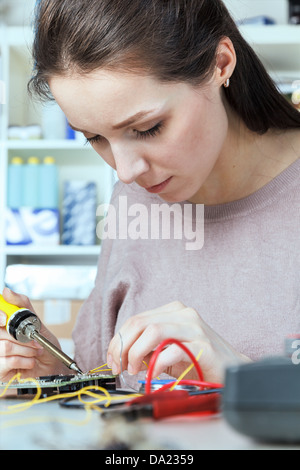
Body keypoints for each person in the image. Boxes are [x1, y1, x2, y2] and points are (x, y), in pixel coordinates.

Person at [0, 0, 299, 385]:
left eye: (148, 128)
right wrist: (50, 371)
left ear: (220, 64)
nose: (125, 173)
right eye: (94, 137)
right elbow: (110, 391)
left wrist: (244, 377)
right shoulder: (134, 199)